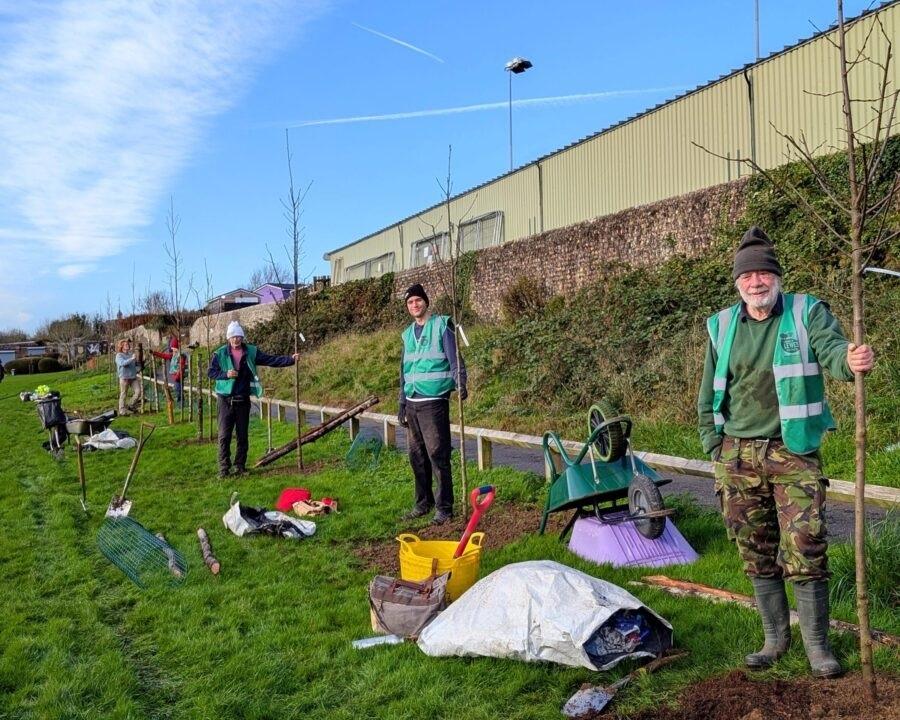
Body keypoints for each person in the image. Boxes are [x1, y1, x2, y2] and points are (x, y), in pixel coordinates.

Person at [698, 226, 875, 679]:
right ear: (737, 283)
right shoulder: (721, 326)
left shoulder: (806, 311)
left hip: (792, 451)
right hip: (736, 455)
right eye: (748, 276)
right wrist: (714, 446)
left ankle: (818, 646)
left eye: (764, 274)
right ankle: (775, 639)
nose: (756, 282)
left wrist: (848, 360)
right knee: (755, 548)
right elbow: (707, 394)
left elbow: (833, 349)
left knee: (805, 543)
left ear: (777, 278)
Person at [397, 284, 467, 525]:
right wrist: (402, 402)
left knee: (438, 455)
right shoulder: (407, 334)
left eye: (417, 300)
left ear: (426, 301)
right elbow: (403, 371)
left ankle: (444, 508)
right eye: (410, 302)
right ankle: (422, 503)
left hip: (434, 402)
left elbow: (455, 357)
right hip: (413, 402)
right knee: (416, 457)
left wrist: (461, 382)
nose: (414, 305)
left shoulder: (441, 326)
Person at [208, 321, 299, 478]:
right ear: (228, 338)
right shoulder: (220, 353)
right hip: (225, 400)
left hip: (242, 400)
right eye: (233, 336)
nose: (236, 339)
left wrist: (290, 360)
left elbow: (271, 360)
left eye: (239, 336)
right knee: (224, 436)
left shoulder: (251, 351)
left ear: (242, 337)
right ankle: (224, 469)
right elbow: (211, 372)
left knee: (242, 435)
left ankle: (240, 466)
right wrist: (225, 375)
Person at [151, 334, 186, 405]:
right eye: (172, 349)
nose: (173, 350)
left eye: (174, 348)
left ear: (177, 348)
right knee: (178, 389)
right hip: (175, 375)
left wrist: (177, 376)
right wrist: (154, 353)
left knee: (178, 389)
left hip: (178, 376)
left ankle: (181, 403)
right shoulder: (173, 355)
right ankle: (181, 403)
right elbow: (164, 355)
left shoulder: (181, 356)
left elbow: (181, 366)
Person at [115, 338, 143, 414]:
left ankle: (130, 405)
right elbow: (122, 363)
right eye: (126, 344)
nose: (128, 345)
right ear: (122, 346)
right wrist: (132, 359)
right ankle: (122, 410)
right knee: (124, 394)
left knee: (138, 392)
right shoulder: (119, 355)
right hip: (124, 378)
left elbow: (135, 364)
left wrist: (138, 367)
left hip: (133, 377)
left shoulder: (131, 354)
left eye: (128, 344)